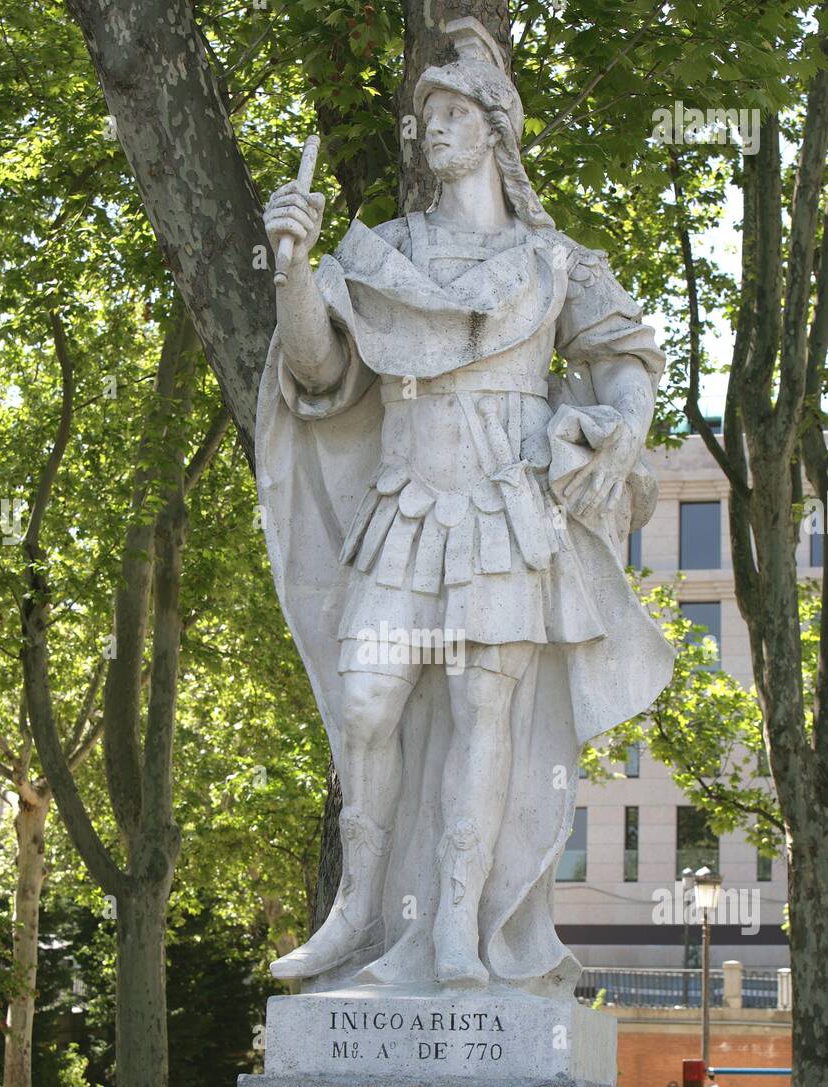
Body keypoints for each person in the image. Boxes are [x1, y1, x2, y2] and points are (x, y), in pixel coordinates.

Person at [258, 15, 672, 989]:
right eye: (423, 116)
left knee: (486, 714)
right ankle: (359, 914)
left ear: (493, 128)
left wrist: (615, 426)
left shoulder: (549, 260)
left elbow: (625, 361)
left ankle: (454, 923)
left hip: (503, 512)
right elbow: (319, 371)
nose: (429, 129)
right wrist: (289, 270)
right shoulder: (385, 251)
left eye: (449, 113)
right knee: (366, 705)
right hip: (404, 508)